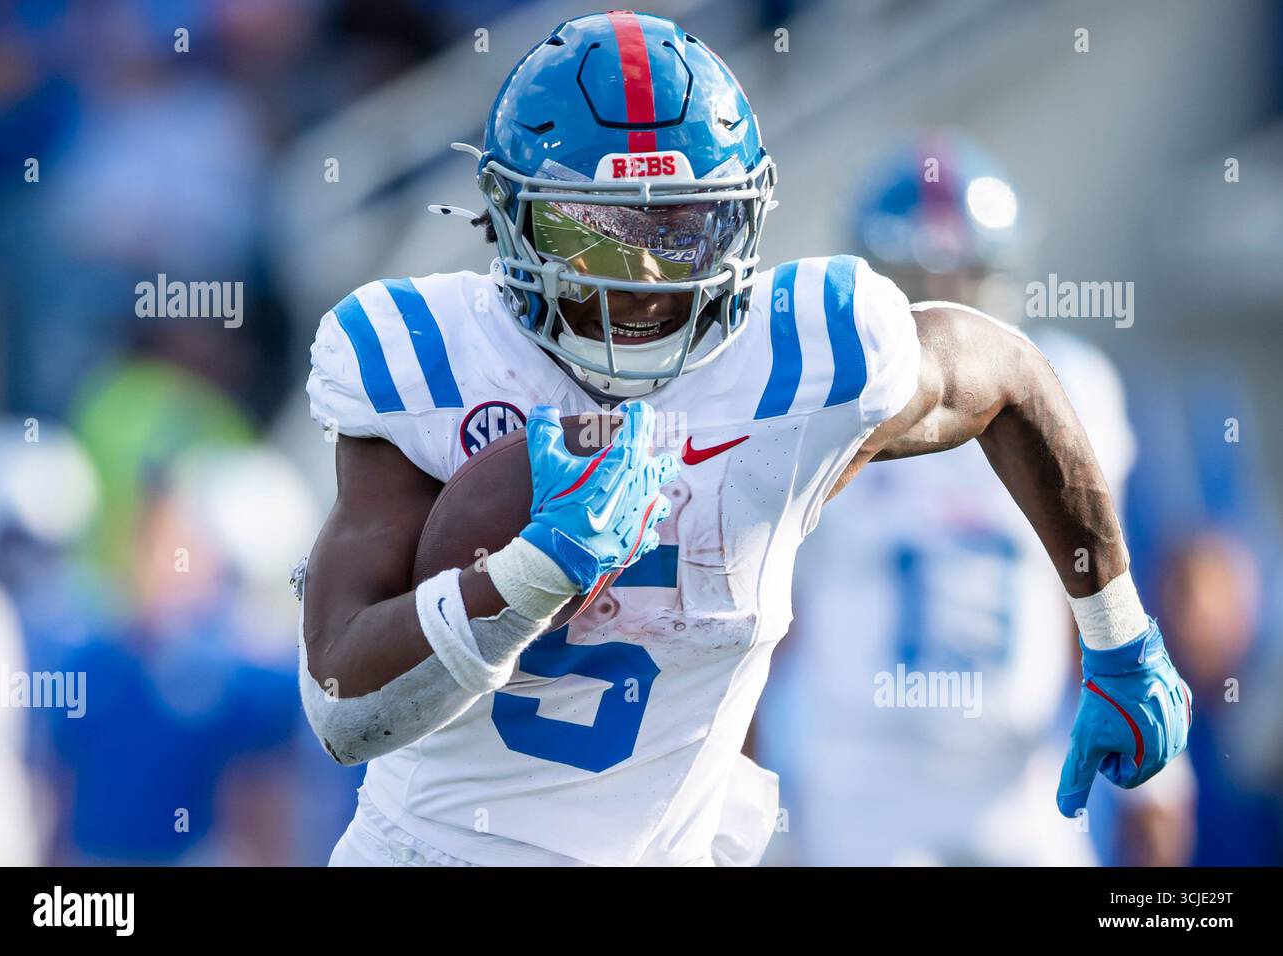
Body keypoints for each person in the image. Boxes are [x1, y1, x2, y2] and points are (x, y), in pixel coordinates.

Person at [297, 12, 1190, 867]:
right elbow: (343, 708)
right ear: (513, 219)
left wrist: (1119, 636)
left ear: (744, 220)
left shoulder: (802, 355)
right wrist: (532, 574)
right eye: (599, 237)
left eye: (682, 232)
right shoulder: (428, 358)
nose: (643, 284)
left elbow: (1009, 373)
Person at [758, 136, 1191, 865]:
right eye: (921, 277)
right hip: (863, 775)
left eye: (968, 276)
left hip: (1019, 770)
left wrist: (1160, 784)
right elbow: (764, 611)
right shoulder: (816, 402)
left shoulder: (1069, 388)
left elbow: (1089, 576)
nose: (949, 305)